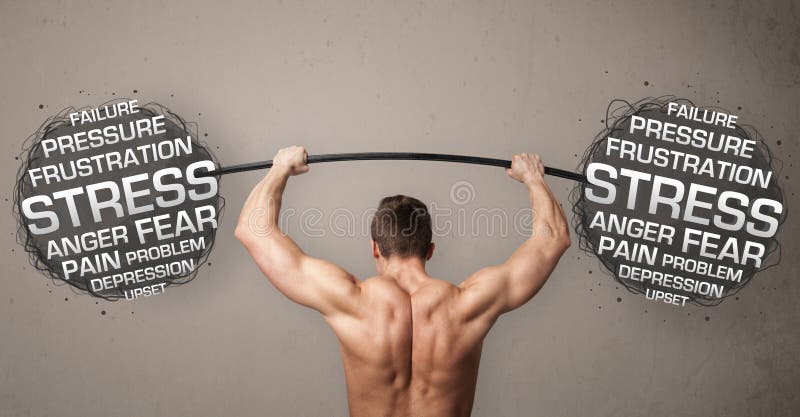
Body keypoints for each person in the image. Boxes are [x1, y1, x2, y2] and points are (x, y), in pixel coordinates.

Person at [235, 146, 571, 417]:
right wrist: (533, 179)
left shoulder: (351, 302)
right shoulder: (467, 305)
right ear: (430, 249)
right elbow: (552, 240)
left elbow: (252, 230)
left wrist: (280, 169)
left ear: (375, 248)